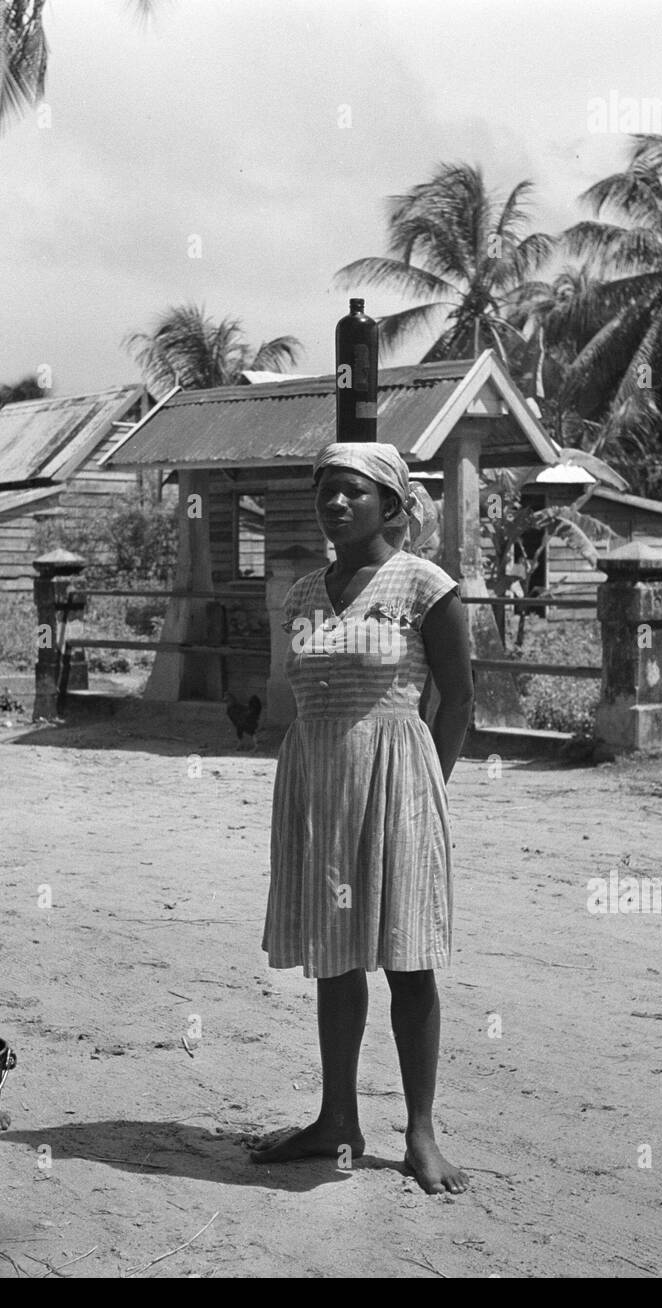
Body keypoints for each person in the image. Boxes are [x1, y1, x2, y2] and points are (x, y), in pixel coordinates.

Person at [254, 441, 475, 1195]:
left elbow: (460, 698)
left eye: (351, 493)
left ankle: (420, 1134)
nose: (335, 505)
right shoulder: (305, 592)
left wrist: (428, 789)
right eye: (325, 494)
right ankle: (336, 1119)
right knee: (336, 956)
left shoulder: (425, 586)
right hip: (318, 778)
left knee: (410, 960)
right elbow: (300, 691)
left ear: (391, 503)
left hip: (399, 781)